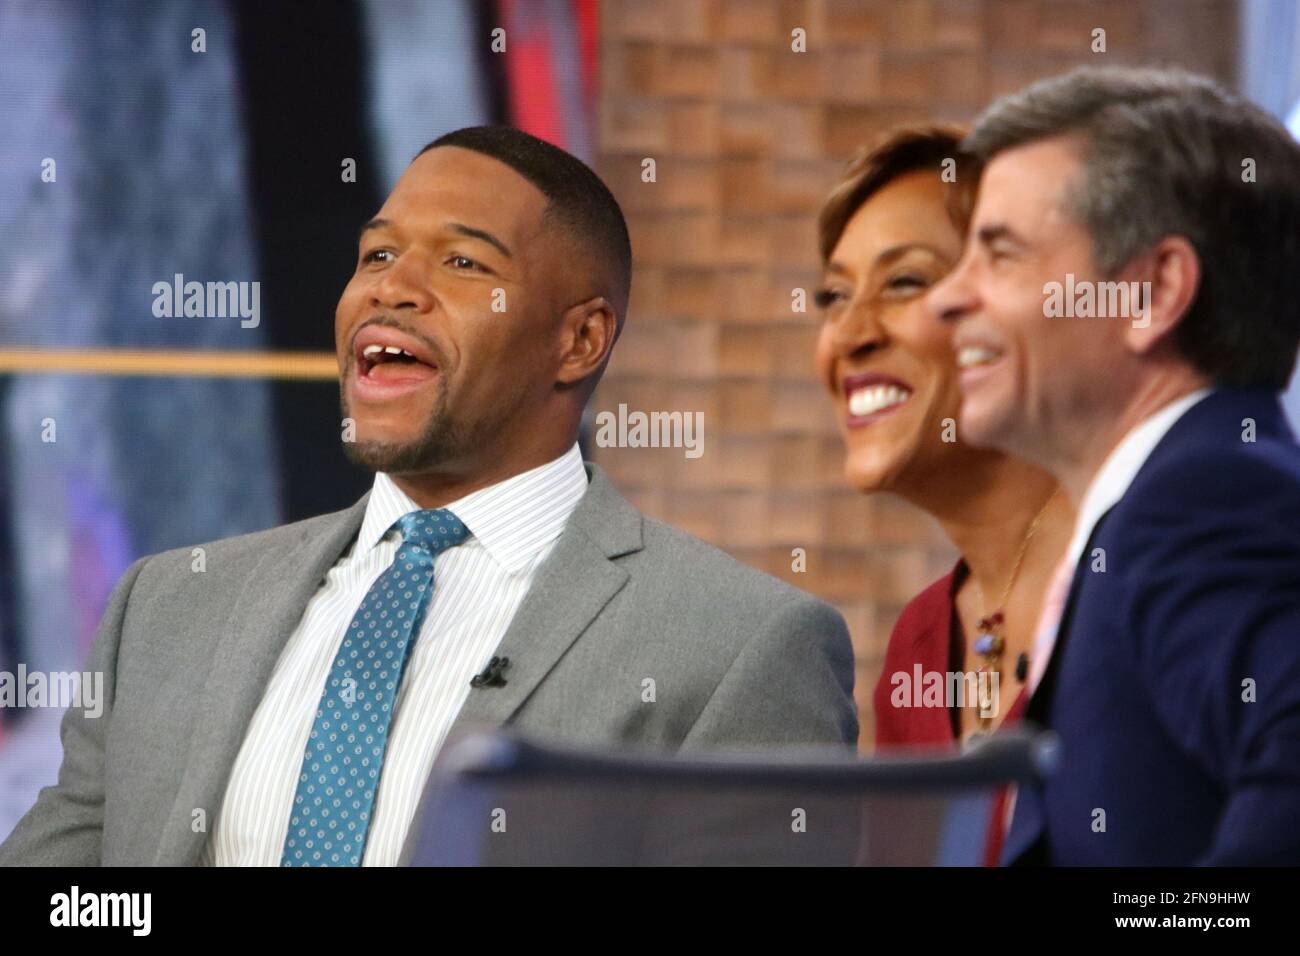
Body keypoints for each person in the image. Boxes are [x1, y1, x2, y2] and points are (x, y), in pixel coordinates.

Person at [0, 126, 857, 867]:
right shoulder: (165, 609)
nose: (390, 288)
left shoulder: (741, 646)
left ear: (580, 339)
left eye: (460, 261)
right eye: (376, 254)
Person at [928, 67, 1300, 865]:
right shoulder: (1175, 502)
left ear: (1153, 293)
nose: (946, 299)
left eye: (1000, 255)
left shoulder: (1206, 502)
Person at [814, 125, 1073, 752]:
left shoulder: (1151, 567)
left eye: (904, 281)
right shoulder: (917, 648)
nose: (849, 336)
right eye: (834, 296)